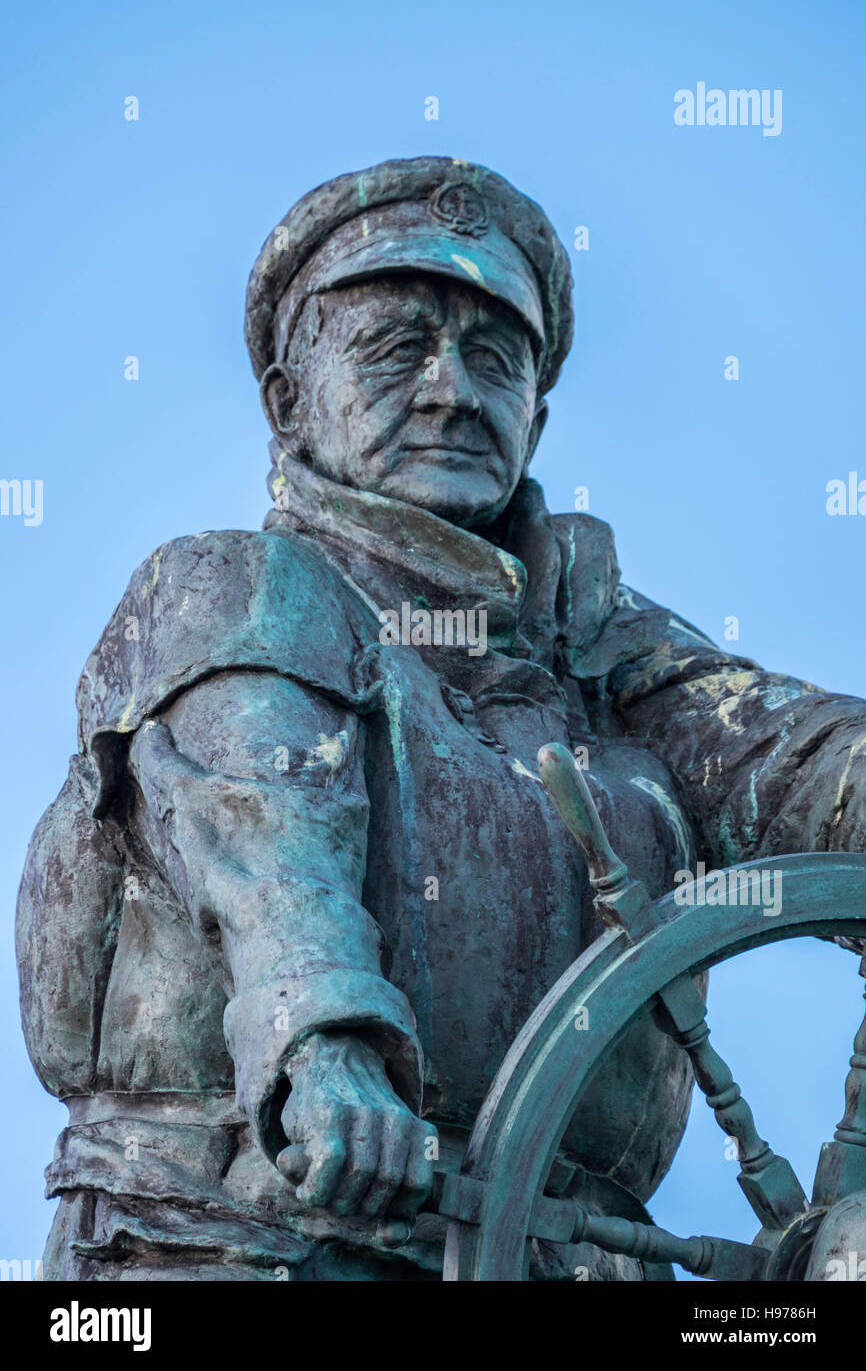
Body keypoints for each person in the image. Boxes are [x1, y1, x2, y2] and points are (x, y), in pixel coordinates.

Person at [17, 156, 866, 1281]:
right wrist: (320, 1040)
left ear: (537, 411)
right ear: (286, 397)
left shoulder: (604, 654)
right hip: (243, 1249)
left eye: (492, 358)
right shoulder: (234, 593)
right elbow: (263, 825)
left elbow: (806, 768)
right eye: (392, 346)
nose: (448, 390)